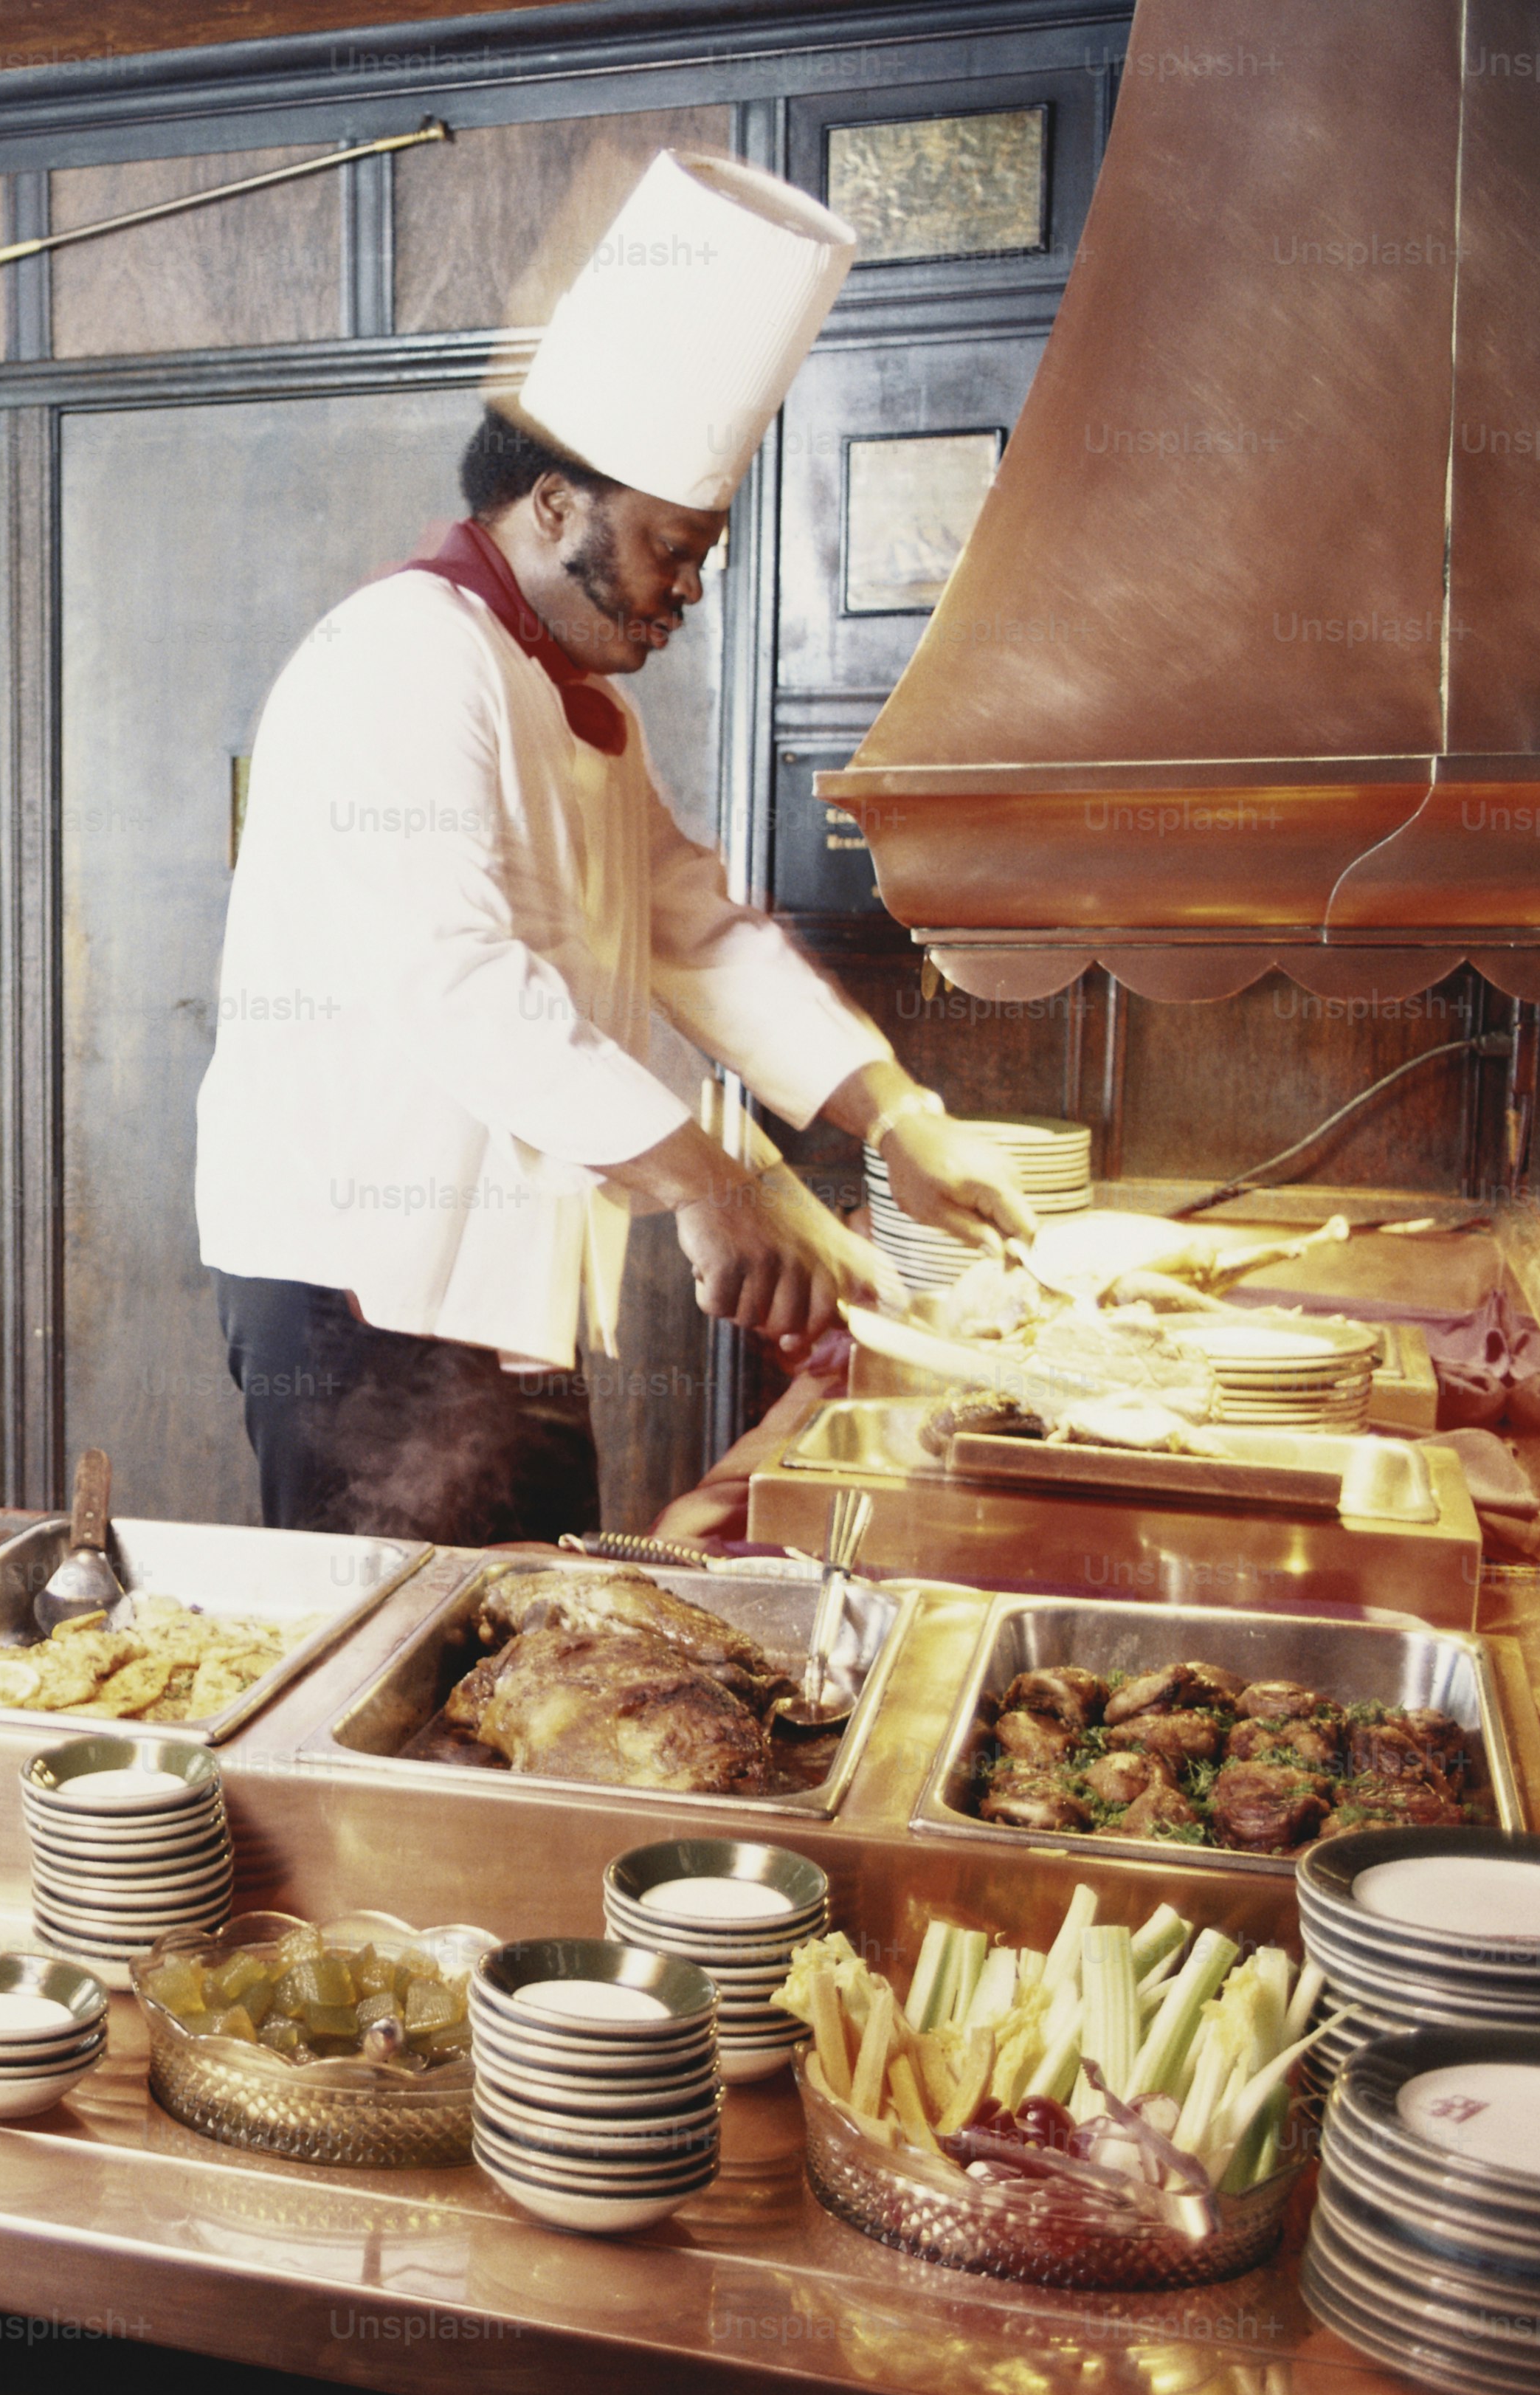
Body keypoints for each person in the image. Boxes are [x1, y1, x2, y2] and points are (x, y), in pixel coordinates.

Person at [194, 150, 1032, 1545]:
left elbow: (692, 928)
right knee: (401, 1685)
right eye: (671, 549)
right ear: (551, 507)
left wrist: (898, 1115)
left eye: (700, 558)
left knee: (528, 1636)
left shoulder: (572, 706)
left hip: (497, 1288)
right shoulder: (401, 659)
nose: (686, 593)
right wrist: (714, 1184)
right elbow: (458, 983)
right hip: (364, 1298)